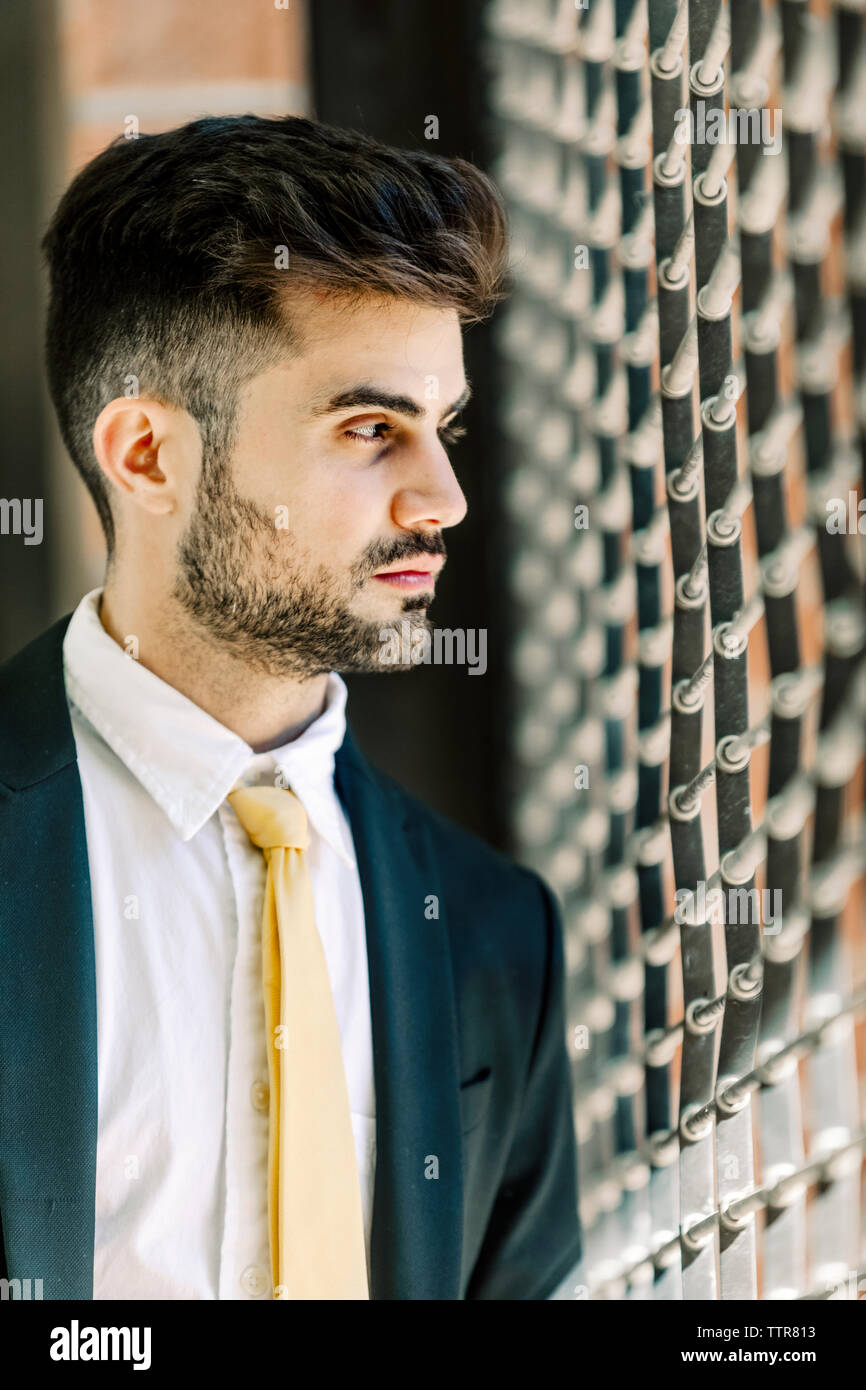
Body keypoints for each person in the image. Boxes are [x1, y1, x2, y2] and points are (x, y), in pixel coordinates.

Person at [0, 113, 581, 1300]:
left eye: (444, 429)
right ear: (149, 457)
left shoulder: (491, 933)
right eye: (370, 429)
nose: (444, 498)